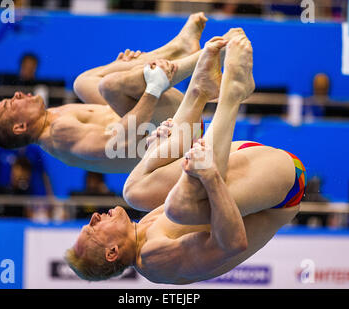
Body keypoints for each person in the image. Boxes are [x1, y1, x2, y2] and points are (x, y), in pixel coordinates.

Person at [65, 31, 307, 284]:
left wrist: (159, 149)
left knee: (134, 192)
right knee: (179, 208)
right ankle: (232, 93)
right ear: (112, 252)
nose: (93, 218)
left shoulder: (143, 231)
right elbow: (233, 243)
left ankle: (201, 90)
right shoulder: (155, 259)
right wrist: (210, 177)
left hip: (235, 157)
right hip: (282, 185)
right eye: (92, 230)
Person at [0, 13, 239, 173]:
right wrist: (151, 87)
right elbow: (119, 141)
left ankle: (178, 47)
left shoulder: (52, 118)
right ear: (20, 127)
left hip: (161, 124)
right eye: (10, 104)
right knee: (111, 87)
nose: (17, 95)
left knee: (83, 83)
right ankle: (208, 59)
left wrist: (128, 70)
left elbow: (114, 101)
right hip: (180, 136)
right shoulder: (59, 135)